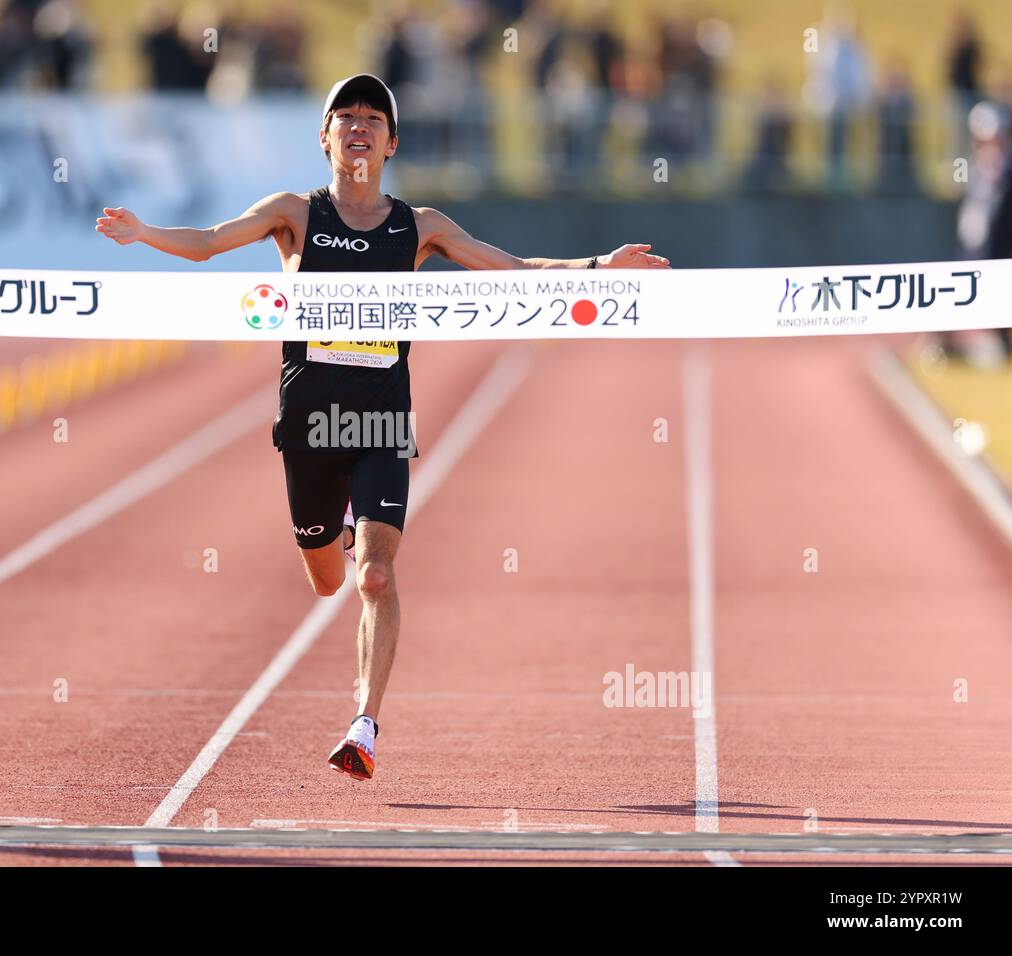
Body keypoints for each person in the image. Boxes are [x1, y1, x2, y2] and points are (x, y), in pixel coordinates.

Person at [95, 74, 669, 780]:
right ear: (325, 136)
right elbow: (212, 241)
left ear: (392, 142)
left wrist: (595, 268)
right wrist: (143, 232)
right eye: (346, 116)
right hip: (307, 421)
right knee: (328, 578)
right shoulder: (294, 214)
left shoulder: (419, 227)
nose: (359, 126)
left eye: (373, 118)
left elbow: (513, 271)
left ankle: (364, 726)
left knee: (374, 574)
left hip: (380, 419)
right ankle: (328, 530)